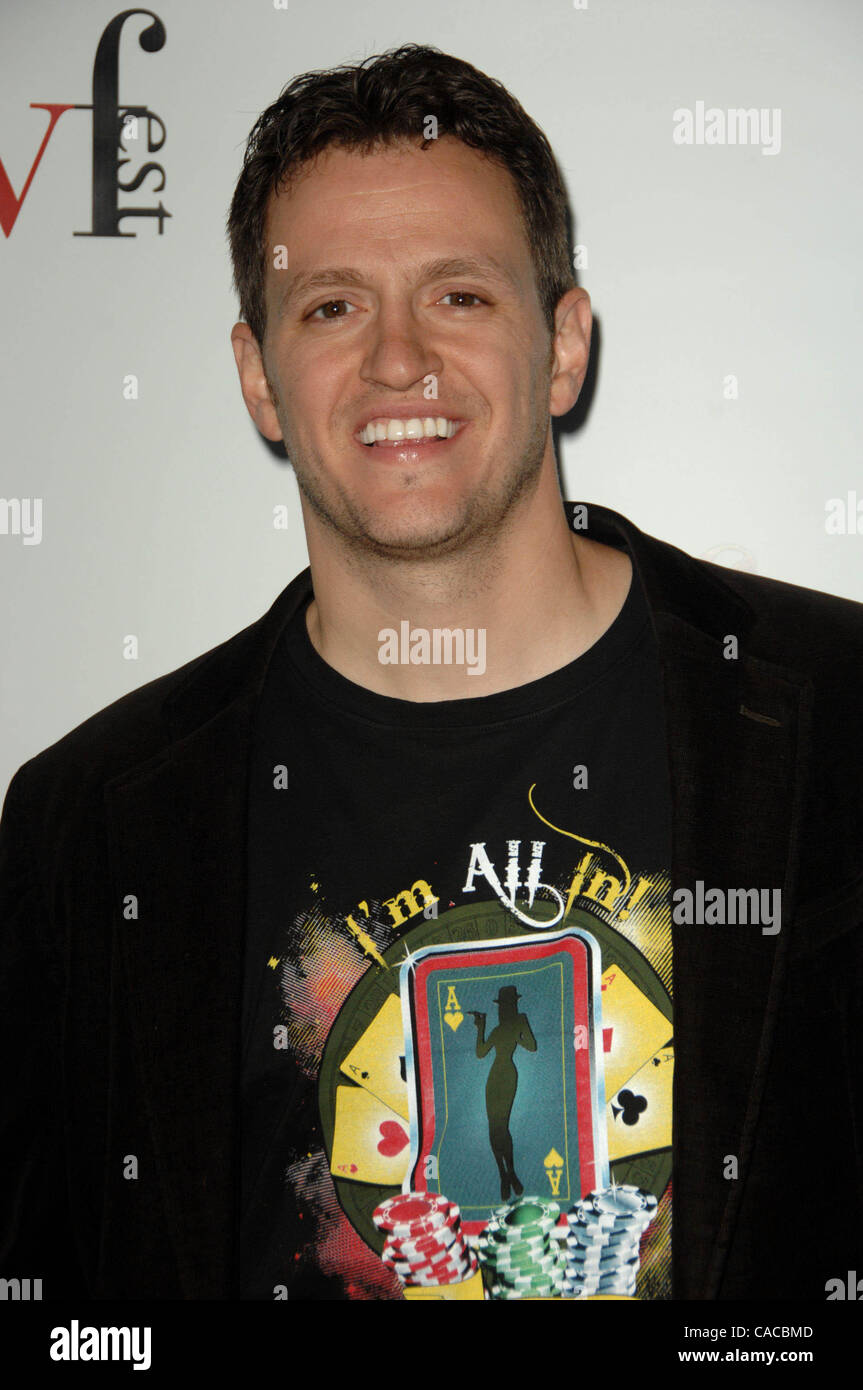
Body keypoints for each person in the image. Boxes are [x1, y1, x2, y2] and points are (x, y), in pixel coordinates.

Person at [1, 43, 861, 1304]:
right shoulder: (87, 823)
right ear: (258, 378)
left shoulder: (838, 717)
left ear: (561, 345)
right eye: (331, 306)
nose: (398, 359)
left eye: (458, 295)